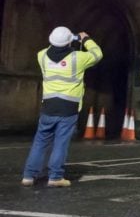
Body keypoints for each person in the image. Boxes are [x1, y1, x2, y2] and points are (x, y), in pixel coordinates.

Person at [21, 27, 103, 188]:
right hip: (68, 107)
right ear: (68, 41)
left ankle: (28, 176)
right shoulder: (77, 58)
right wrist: (85, 39)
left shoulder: (41, 55)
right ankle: (55, 177)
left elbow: (53, 52)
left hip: (49, 106)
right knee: (60, 142)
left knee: (40, 141)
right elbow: (97, 53)